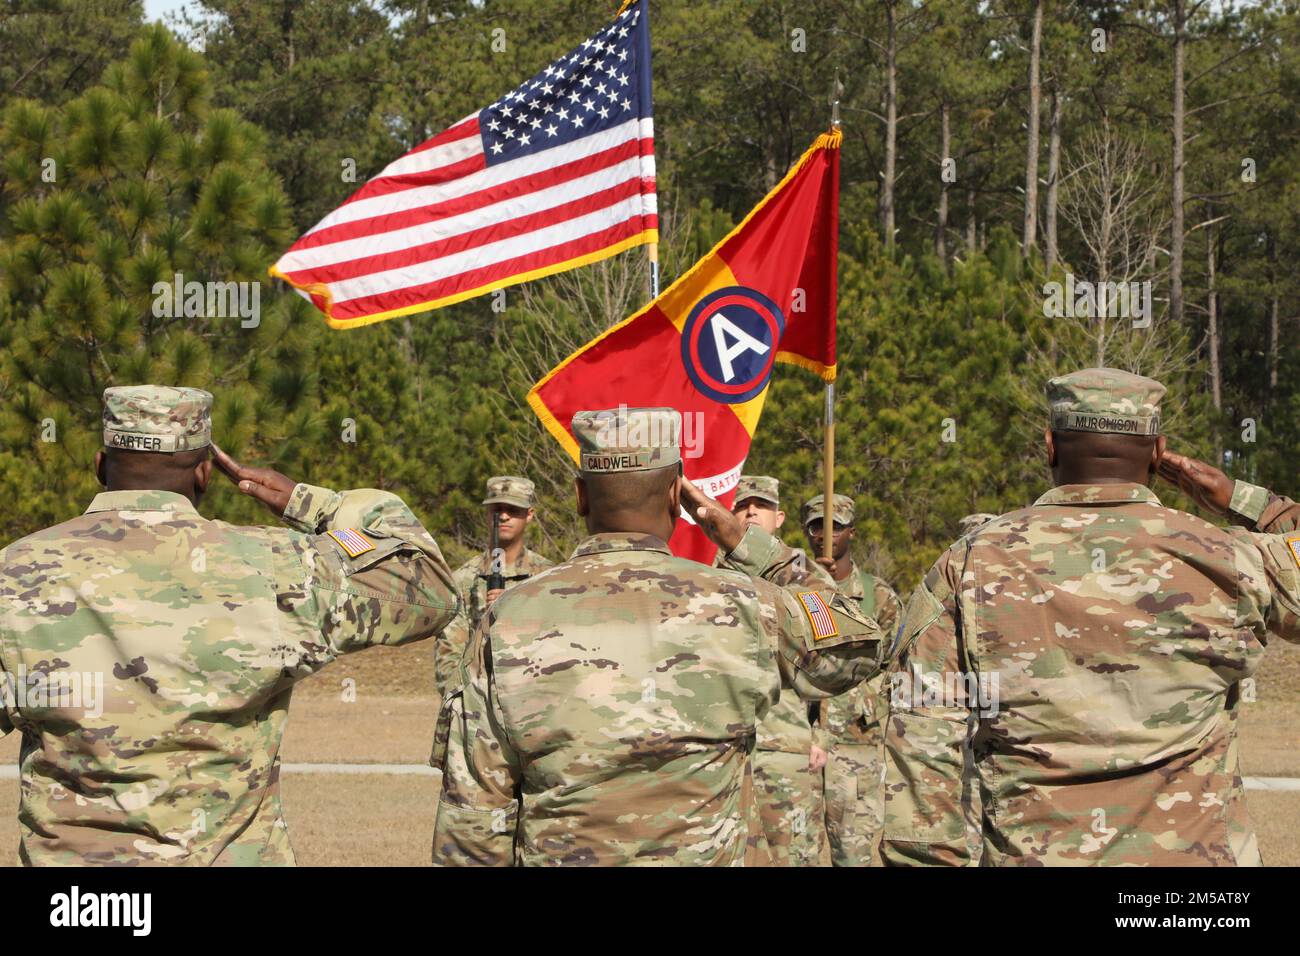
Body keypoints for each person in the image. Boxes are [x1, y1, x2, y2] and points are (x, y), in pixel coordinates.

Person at [0, 386, 458, 866]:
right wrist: (307, 504)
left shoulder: (15, 572)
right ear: (204, 474)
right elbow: (428, 583)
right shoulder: (275, 565)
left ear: (99, 465)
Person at [431, 407, 886, 866]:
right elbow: (857, 642)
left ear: (580, 497)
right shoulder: (741, 604)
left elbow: (474, 817)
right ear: (675, 495)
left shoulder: (506, 617)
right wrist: (741, 539)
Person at [881, 368, 1300, 866]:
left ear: (1050, 446)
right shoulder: (1229, 558)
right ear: (1160, 451)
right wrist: (1248, 503)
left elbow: (923, 733)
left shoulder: (971, 562)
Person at [720, 475, 826, 866]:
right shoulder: (709, 576)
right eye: (742, 505)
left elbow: (834, 660)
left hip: (784, 746)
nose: (750, 511)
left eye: (760, 506)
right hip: (725, 748)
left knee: (791, 855)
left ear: (778, 518)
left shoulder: (799, 574)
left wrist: (822, 735)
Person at [801, 493, 902, 867]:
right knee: (796, 854)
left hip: (855, 744)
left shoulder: (878, 598)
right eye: (816, 527)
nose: (825, 536)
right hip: (799, 743)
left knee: (853, 854)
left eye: (835, 527)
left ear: (852, 532)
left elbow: (890, 668)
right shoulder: (795, 592)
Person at [434, 476, 552, 699]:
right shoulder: (462, 581)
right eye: (497, 509)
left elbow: (559, 648)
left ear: (529, 514)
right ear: (487, 514)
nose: (504, 516)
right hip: (477, 706)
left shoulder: (548, 578)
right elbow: (448, 658)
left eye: (513, 509)